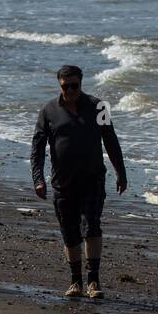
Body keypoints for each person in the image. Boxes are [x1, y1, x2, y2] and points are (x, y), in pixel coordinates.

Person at [30, 65, 127, 299]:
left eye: (75, 85)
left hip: (93, 179)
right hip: (63, 182)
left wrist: (121, 172)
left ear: (81, 82)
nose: (71, 90)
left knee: (92, 225)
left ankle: (94, 280)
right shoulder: (48, 111)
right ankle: (75, 282)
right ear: (59, 85)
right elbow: (37, 147)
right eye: (66, 86)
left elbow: (111, 141)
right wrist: (38, 178)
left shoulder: (99, 107)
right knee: (69, 232)